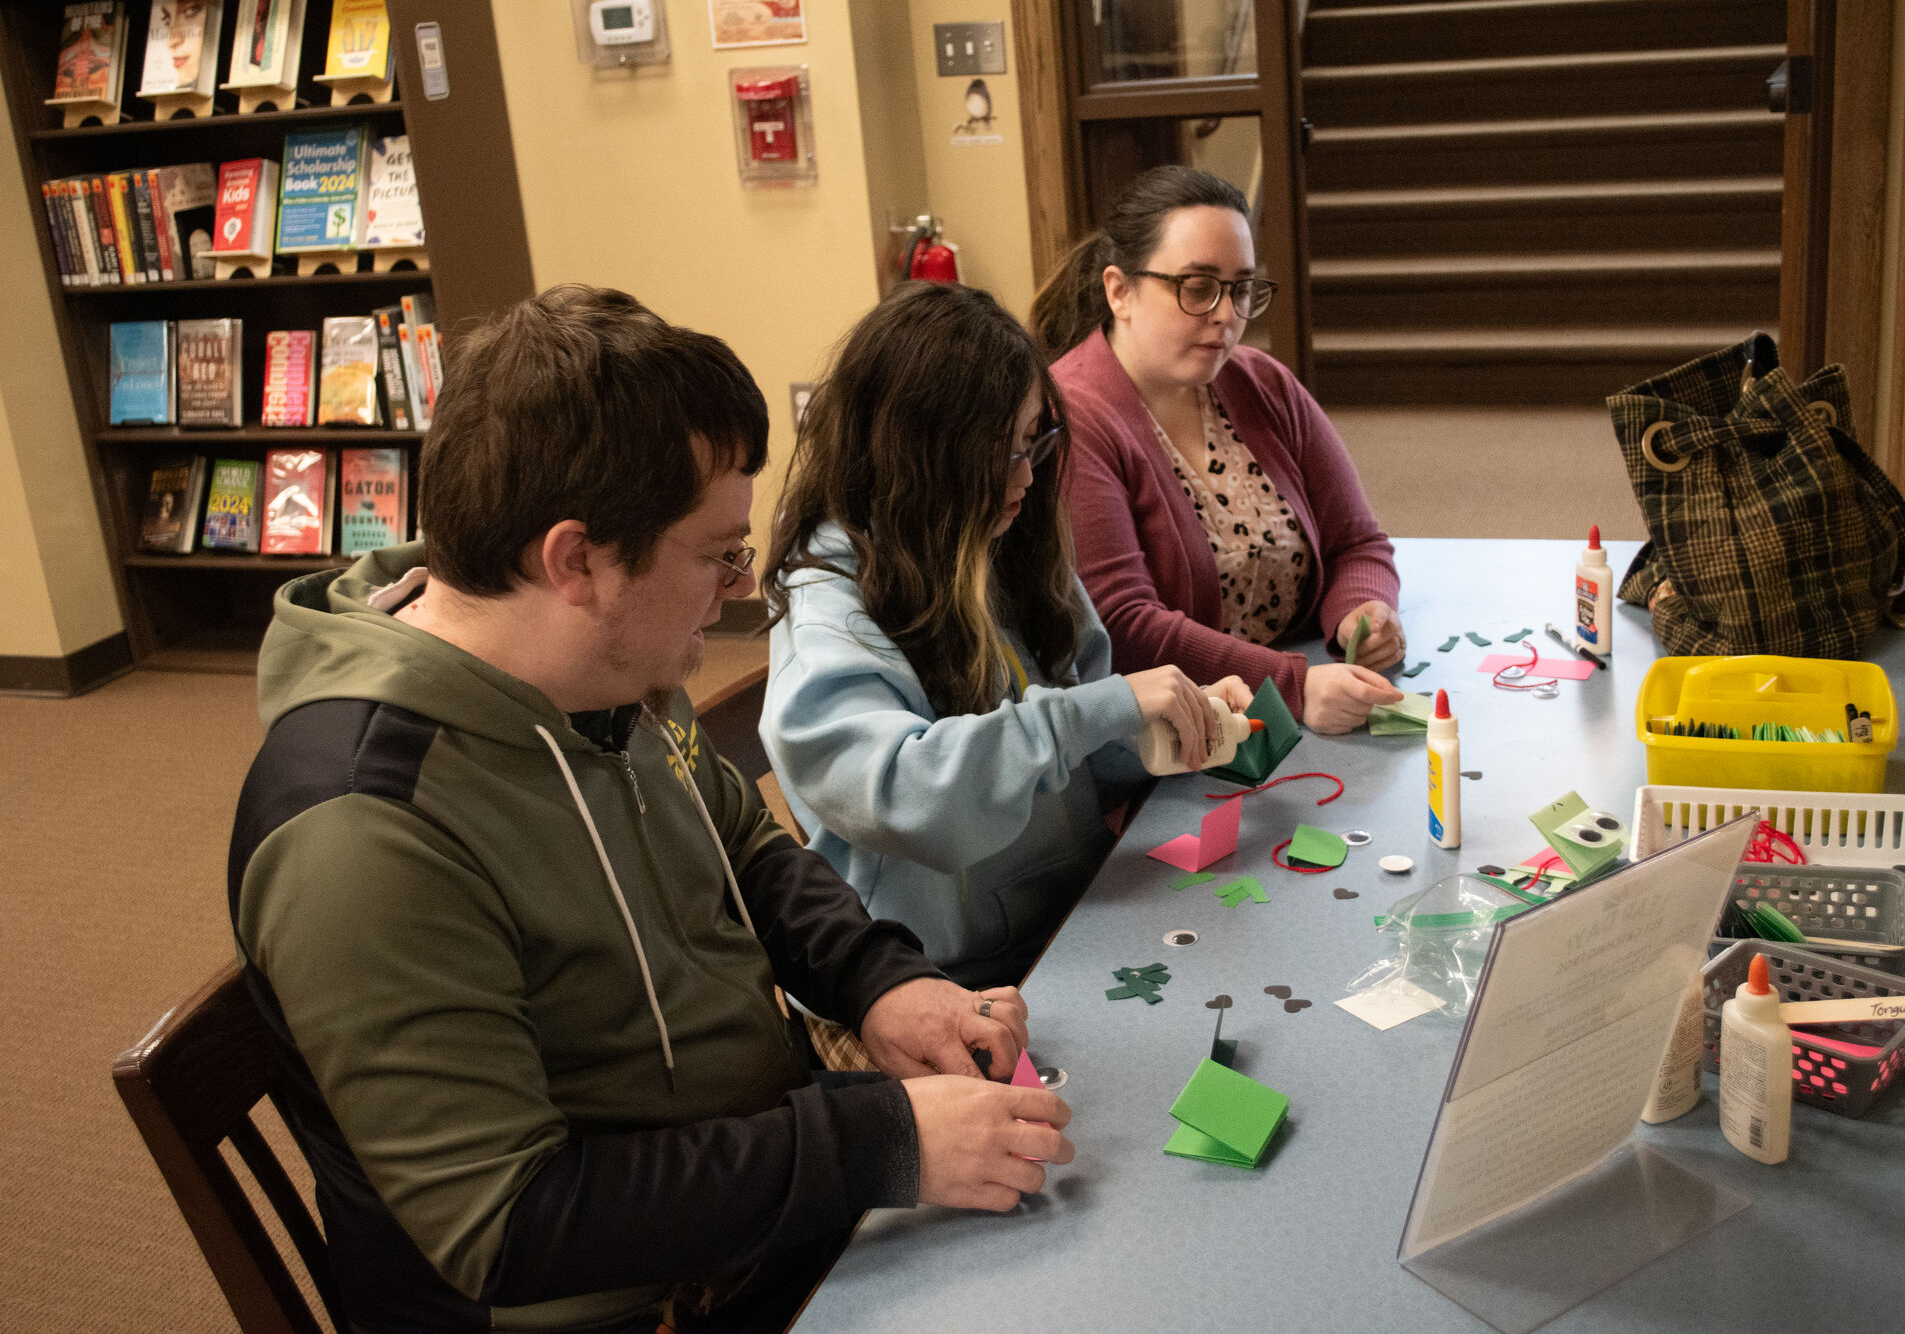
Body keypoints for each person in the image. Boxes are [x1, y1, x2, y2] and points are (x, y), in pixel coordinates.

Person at [228, 285, 1073, 1334]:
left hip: (755, 1202)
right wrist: (874, 1142)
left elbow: (746, 847)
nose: (739, 585)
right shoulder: (363, 832)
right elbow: (511, 1222)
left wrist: (879, 982)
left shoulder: (597, 673)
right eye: (717, 554)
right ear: (575, 560)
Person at [760, 282, 1248, 989]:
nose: (1026, 476)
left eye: (1033, 441)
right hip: (950, 977)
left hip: (1073, 918)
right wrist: (1106, 706)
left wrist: (1172, 726)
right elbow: (910, 795)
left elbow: (1077, 759)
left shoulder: (1007, 537)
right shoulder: (828, 603)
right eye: (1000, 451)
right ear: (919, 455)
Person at [1034, 165, 1406, 735]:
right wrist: (1293, 686)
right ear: (1119, 291)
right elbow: (1125, 629)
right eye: (1198, 287)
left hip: (1300, 697)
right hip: (1173, 739)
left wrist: (1362, 611)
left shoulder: (1261, 381)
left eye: (1241, 288)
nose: (1227, 315)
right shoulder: (1077, 416)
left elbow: (1355, 542)